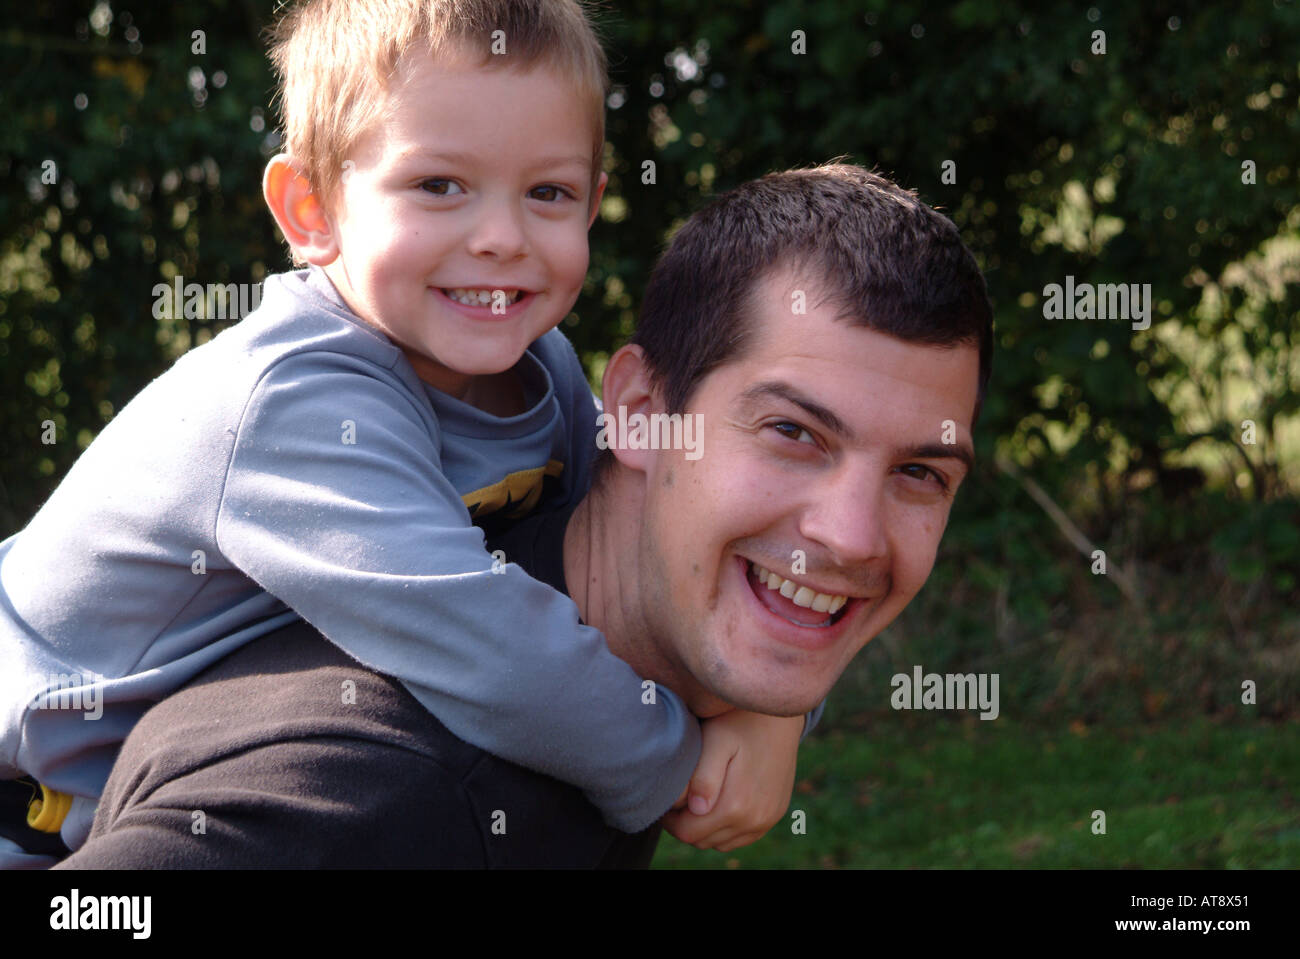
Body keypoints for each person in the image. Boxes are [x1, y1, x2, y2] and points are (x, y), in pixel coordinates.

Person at [0, 0, 812, 869]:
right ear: (312, 208)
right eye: (439, 186)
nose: (501, 238)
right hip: (31, 799)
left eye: (548, 193)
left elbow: (661, 548)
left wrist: (772, 710)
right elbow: (492, 650)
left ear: (593, 205)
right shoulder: (295, 400)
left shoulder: (547, 371)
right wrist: (683, 758)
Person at [52, 162, 993, 868]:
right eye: (792, 432)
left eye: (919, 471)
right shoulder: (386, 789)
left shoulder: (542, 478)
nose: (853, 535)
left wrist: (767, 707)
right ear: (636, 412)